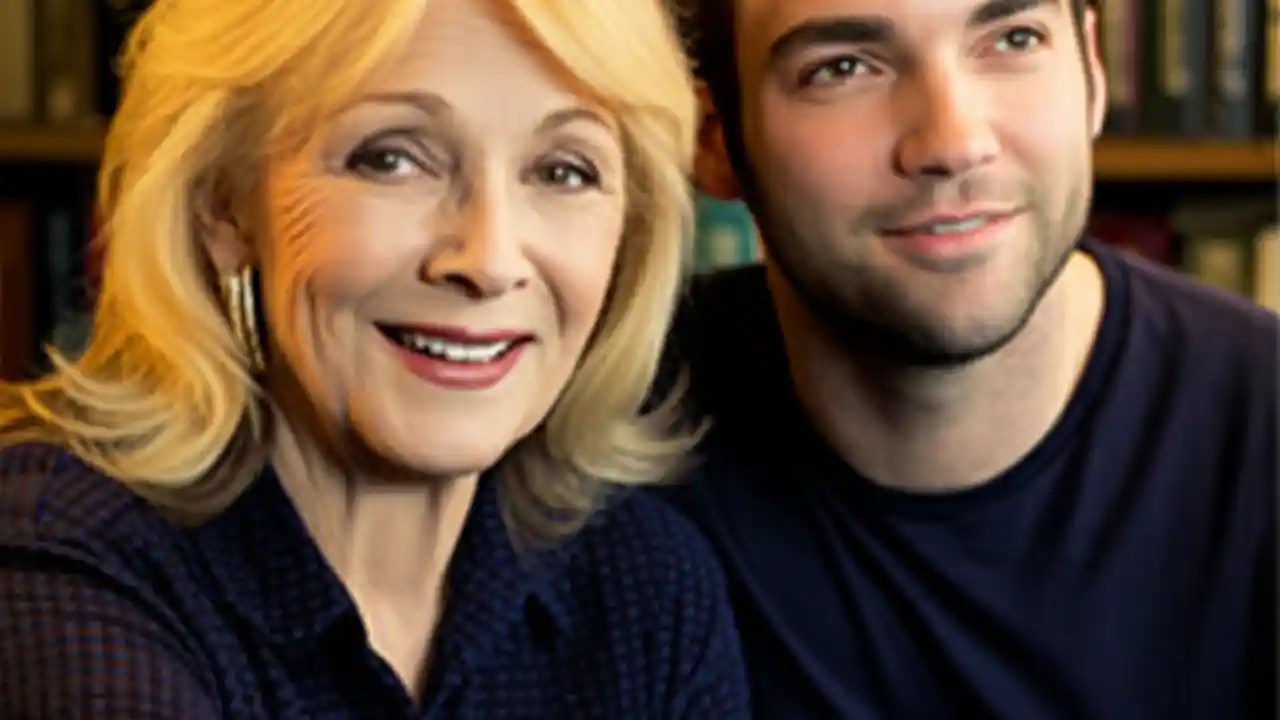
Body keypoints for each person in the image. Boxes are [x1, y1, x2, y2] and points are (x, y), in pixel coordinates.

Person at [0, 0, 752, 717]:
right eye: (391, 158)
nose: (489, 260)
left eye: (563, 171)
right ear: (224, 204)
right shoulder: (56, 551)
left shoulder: (645, 590)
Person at [654, 0, 1278, 717]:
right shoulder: (594, 448)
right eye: (843, 68)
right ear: (714, 142)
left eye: (1013, 39)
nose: (952, 141)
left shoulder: (1262, 436)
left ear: (1093, 75)